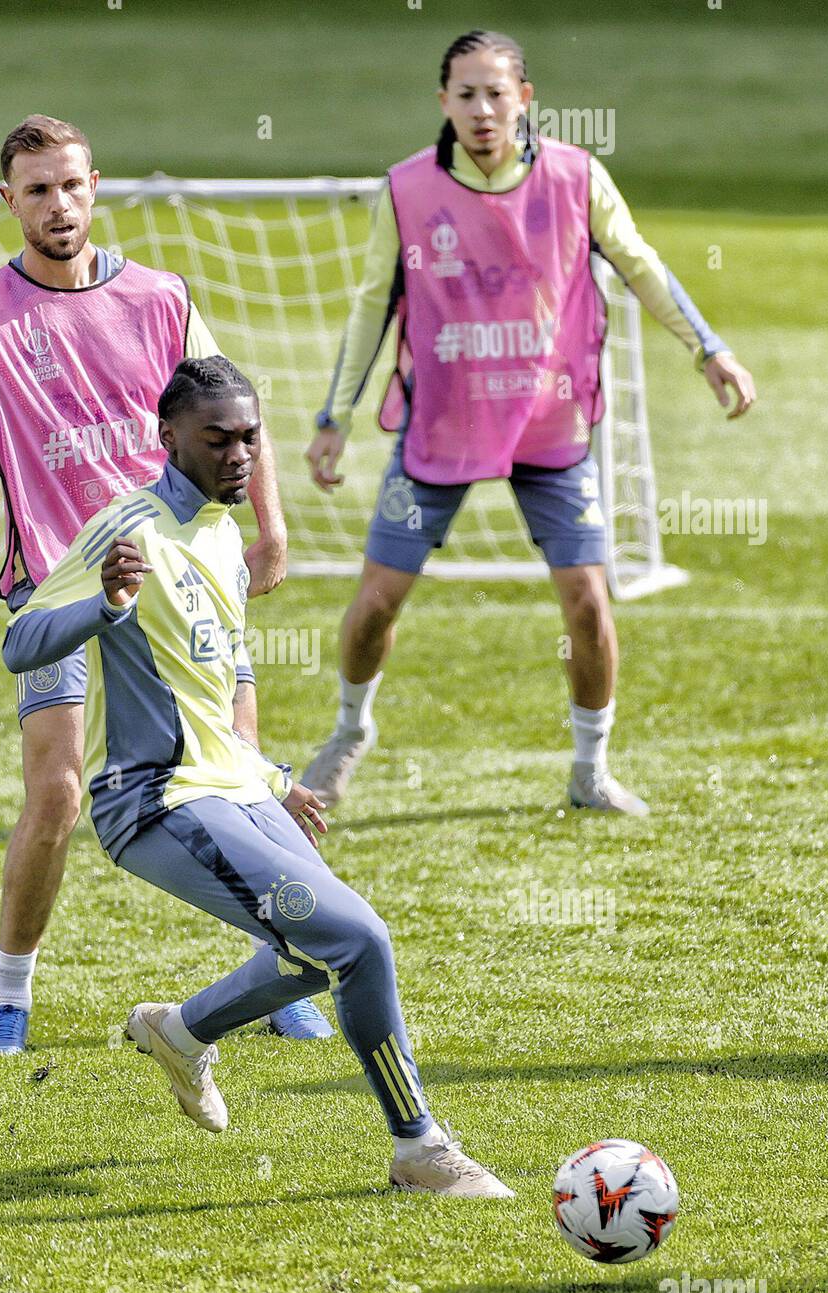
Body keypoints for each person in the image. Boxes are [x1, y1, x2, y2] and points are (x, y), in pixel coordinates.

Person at [2, 356, 513, 1196]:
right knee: (360, 939)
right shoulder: (125, 528)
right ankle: (419, 1148)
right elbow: (19, 645)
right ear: (167, 438)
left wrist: (269, 778)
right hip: (155, 799)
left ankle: (181, 1031)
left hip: (231, 786)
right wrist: (105, 606)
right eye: (218, 439)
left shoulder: (220, 534)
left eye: (250, 437)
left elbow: (215, 675)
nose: (240, 455)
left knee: (315, 957)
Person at [0, 116, 329, 1051]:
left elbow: (236, 413)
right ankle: (11, 997)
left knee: (240, 776)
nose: (57, 206)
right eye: (35, 191)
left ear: (94, 187)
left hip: (178, 578)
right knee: (57, 792)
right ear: (10, 201)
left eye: (70, 186)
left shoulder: (162, 298)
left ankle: (281, 964)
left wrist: (272, 526)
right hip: (62, 587)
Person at [303, 29, 757, 815]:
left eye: (497, 92)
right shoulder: (409, 189)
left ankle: (591, 768)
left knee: (587, 599)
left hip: (550, 426)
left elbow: (640, 263)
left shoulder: (577, 178)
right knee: (377, 600)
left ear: (525, 99)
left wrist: (708, 350)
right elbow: (374, 302)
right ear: (443, 102)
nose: (483, 110)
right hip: (440, 424)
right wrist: (333, 417)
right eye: (467, 94)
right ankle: (349, 732)